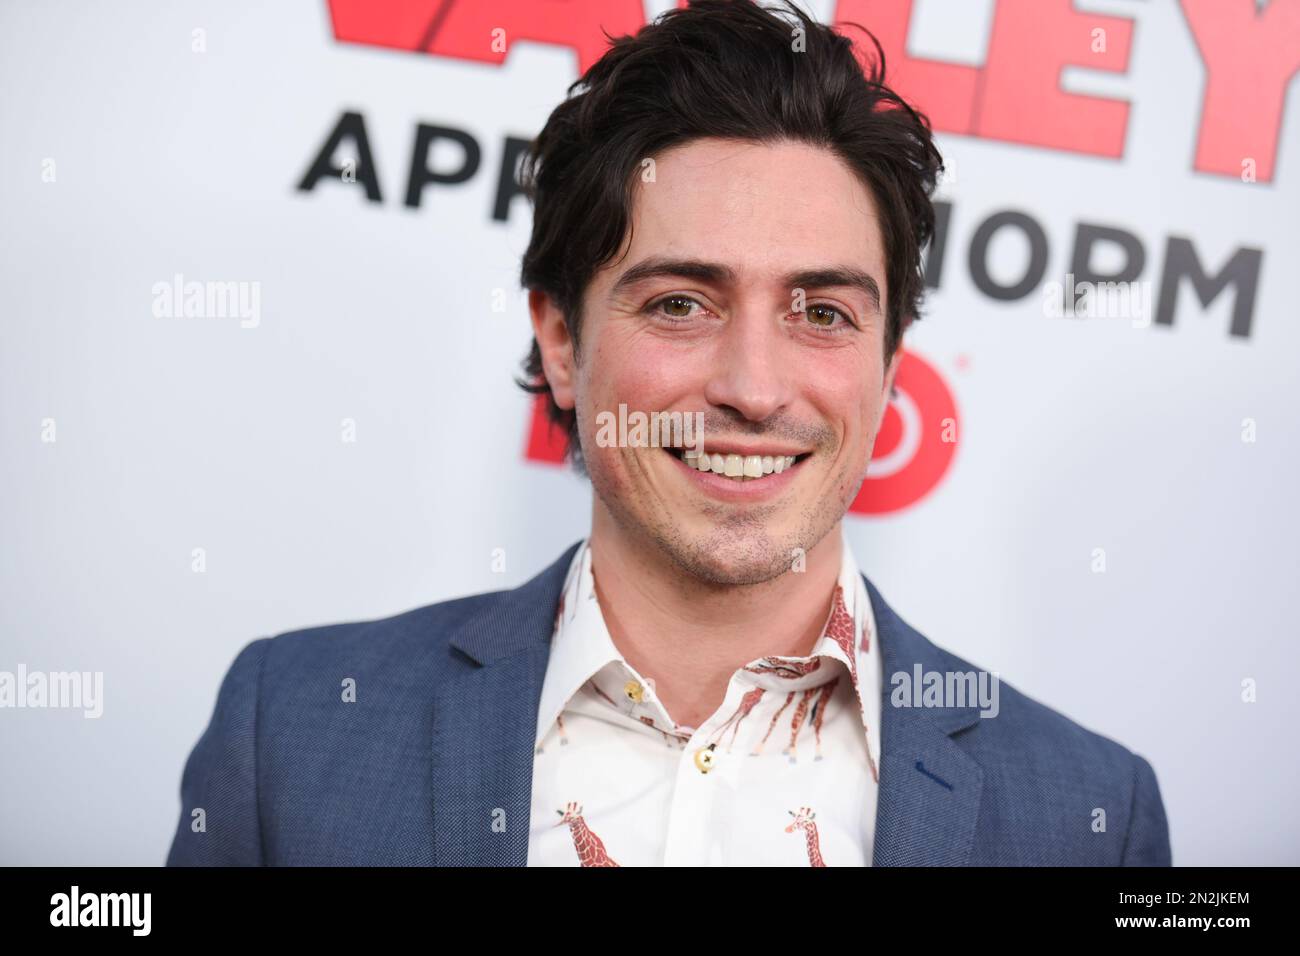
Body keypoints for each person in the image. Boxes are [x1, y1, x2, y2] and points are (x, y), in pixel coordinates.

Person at [167, 0, 1170, 867]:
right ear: (561, 340)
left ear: (888, 367)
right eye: (682, 303)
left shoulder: (1087, 813)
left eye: (821, 312)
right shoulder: (292, 730)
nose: (751, 386)